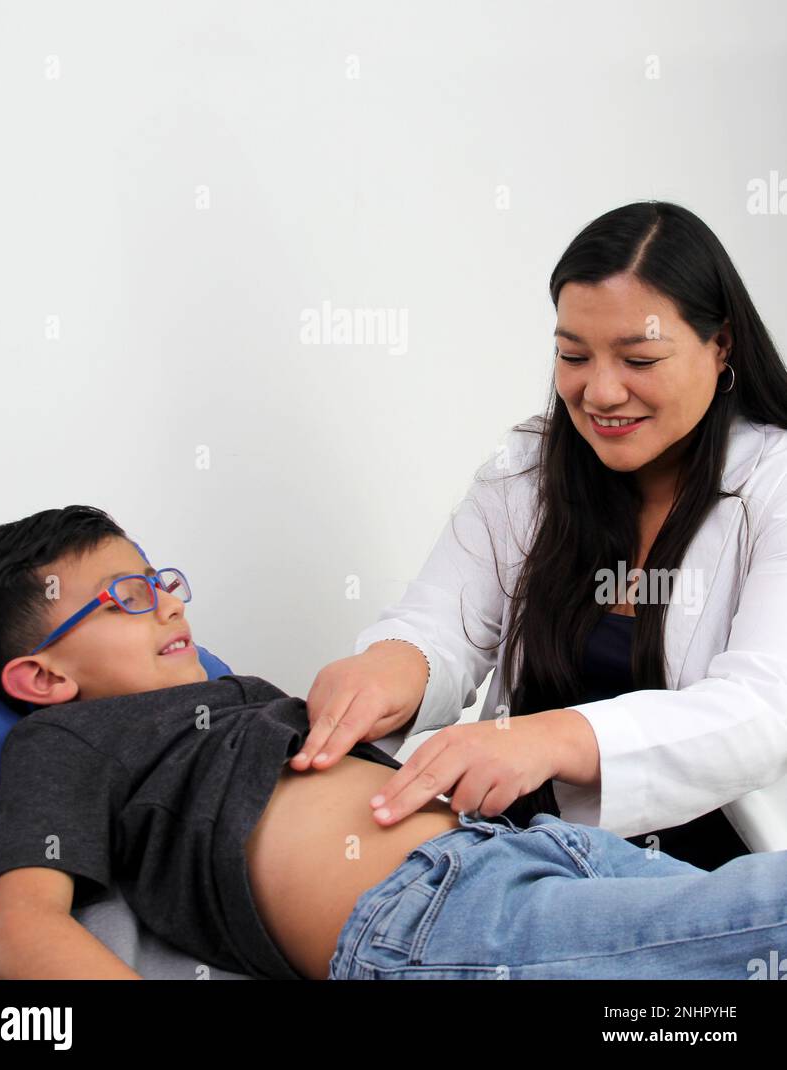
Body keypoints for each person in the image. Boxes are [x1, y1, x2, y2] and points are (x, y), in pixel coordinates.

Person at [0, 508, 787, 980]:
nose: (167, 602)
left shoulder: (239, 696)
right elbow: (22, 930)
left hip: (537, 848)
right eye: (125, 596)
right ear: (42, 677)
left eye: (161, 579)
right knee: (753, 920)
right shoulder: (64, 738)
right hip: (422, 919)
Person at [293, 200, 787, 872]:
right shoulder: (528, 467)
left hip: (708, 877)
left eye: (638, 358)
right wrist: (390, 667)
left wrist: (548, 740)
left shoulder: (773, 482)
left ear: (720, 345)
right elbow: (442, 625)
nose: (601, 392)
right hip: (523, 856)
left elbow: (760, 714)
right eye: (572, 355)